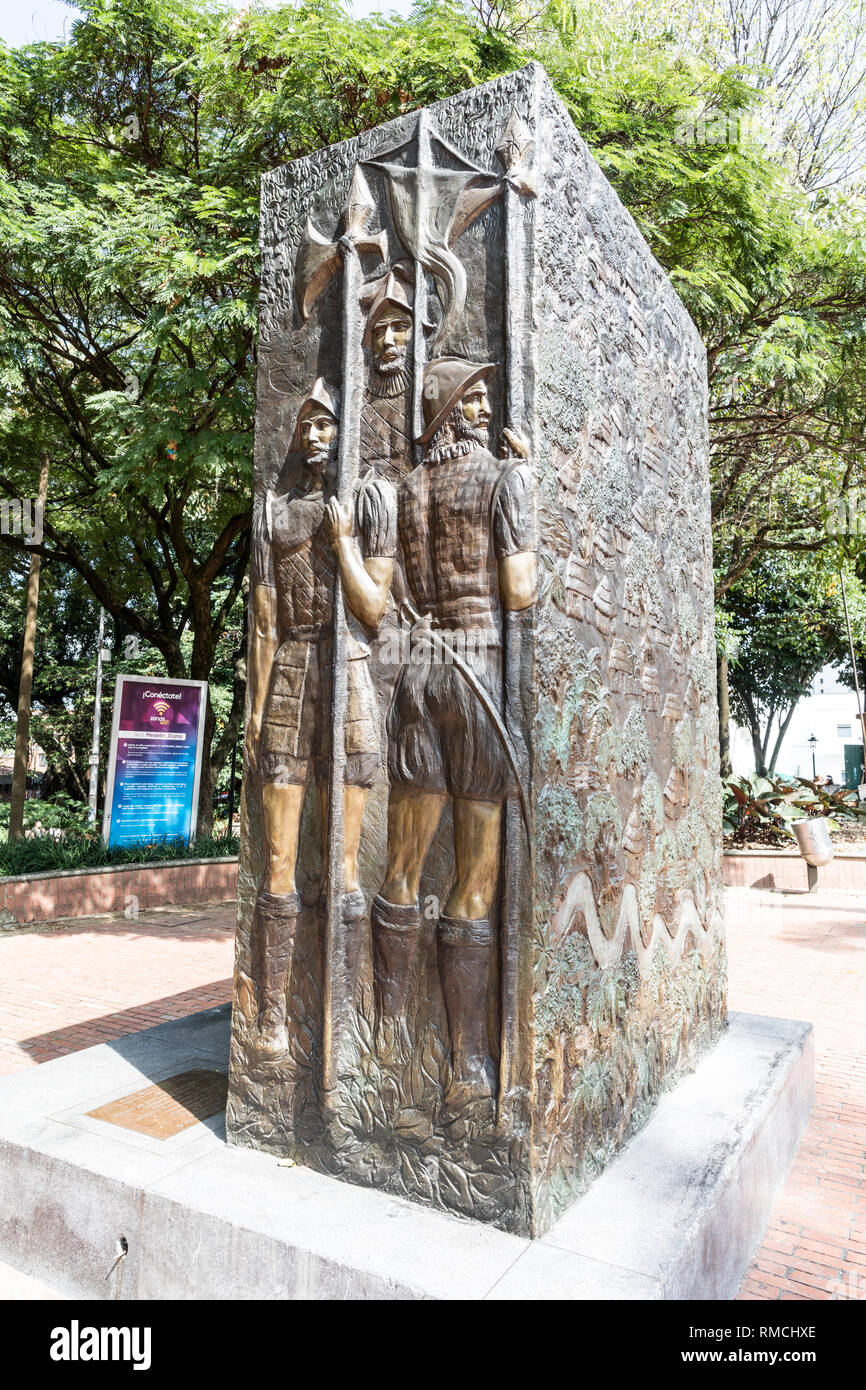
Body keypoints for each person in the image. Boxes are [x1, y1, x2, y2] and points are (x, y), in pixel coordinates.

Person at [372, 357, 537, 1110]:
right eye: (476, 394)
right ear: (455, 412)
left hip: (417, 677)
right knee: (474, 871)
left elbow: (389, 598)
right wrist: (533, 494)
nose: (486, 402)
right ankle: (466, 1068)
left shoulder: (401, 493)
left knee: (402, 866)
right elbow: (521, 589)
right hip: (479, 678)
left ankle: (384, 1036)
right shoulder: (506, 480)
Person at [246, 379, 396, 1057]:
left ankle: (350, 1014)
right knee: (280, 860)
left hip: (352, 678)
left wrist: (343, 543)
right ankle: (272, 1013)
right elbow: (264, 621)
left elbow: (373, 610)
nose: (314, 435)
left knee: (346, 869)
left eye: (327, 425)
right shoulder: (272, 514)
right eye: (306, 424)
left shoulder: (370, 502)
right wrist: (253, 708)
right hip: (290, 681)